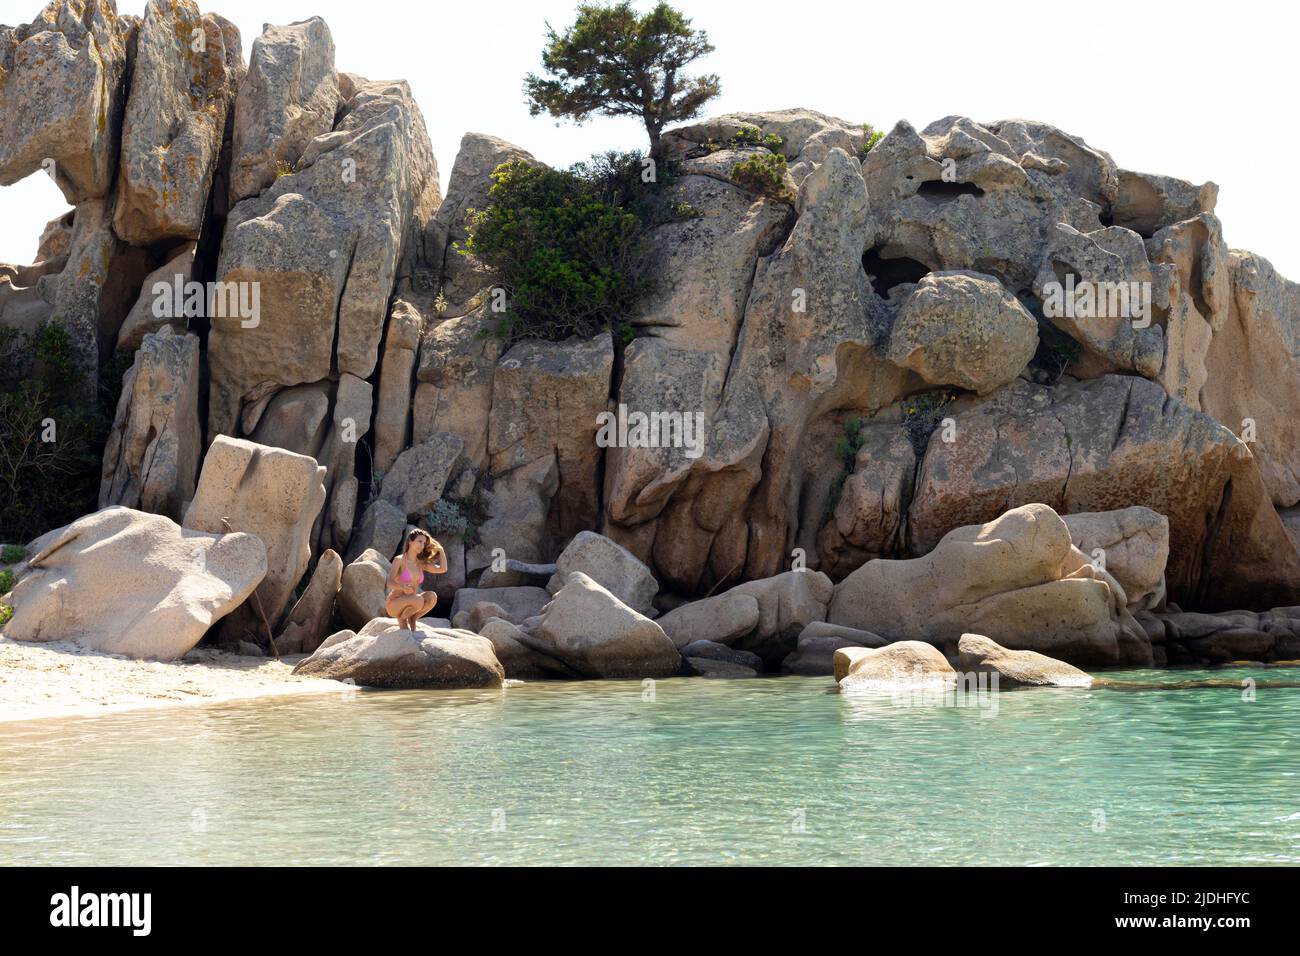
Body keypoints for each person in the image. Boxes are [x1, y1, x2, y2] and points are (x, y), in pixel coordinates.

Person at [385, 529, 448, 632]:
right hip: (395, 603)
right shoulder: (399, 560)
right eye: (419, 541)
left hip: (412, 601)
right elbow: (389, 582)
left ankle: (412, 618)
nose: (422, 545)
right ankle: (402, 619)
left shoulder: (421, 564)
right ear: (410, 541)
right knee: (418, 600)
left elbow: (443, 569)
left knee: (432, 597)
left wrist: (441, 550)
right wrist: (402, 587)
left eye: (424, 543)